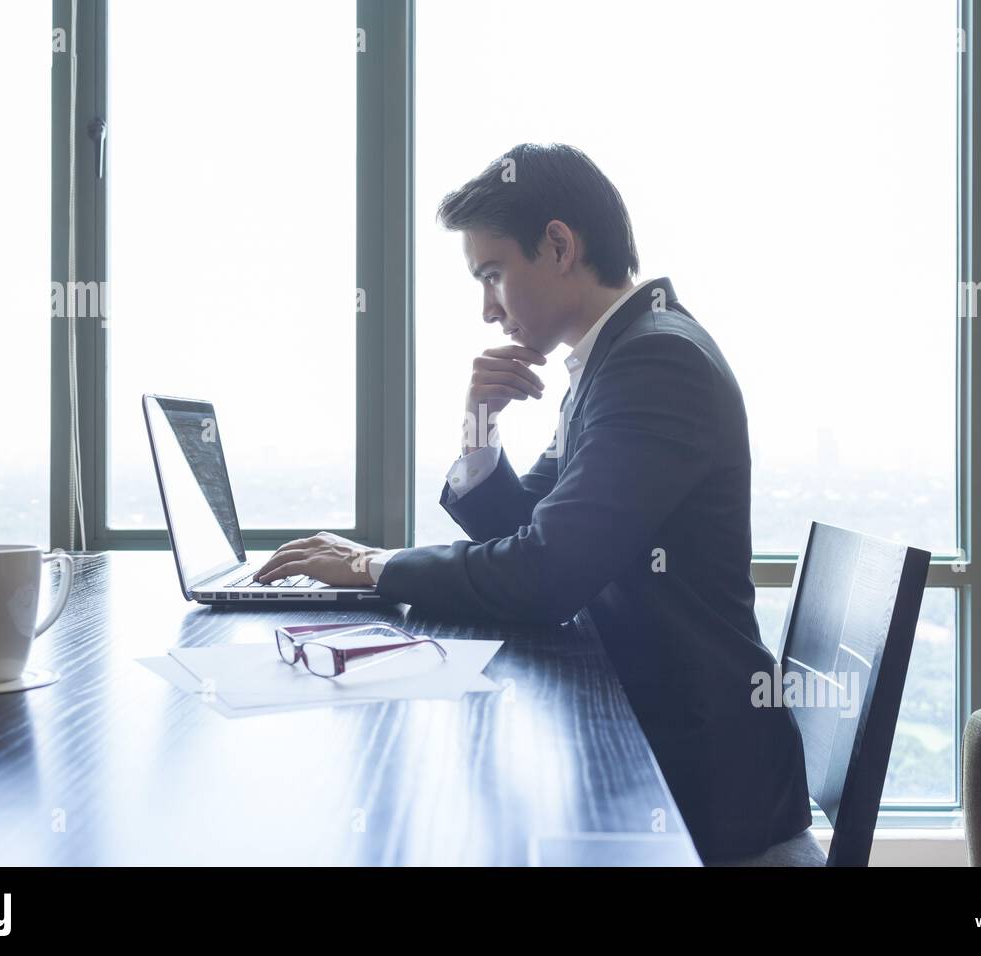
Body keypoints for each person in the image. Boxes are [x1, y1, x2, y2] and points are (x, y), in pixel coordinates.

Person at [256, 143, 811, 863]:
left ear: (557, 245)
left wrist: (371, 565)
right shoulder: (613, 359)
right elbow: (530, 533)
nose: (488, 310)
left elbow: (547, 575)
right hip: (653, 733)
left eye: (492, 275)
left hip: (697, 772)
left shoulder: (654, 361)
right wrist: (477, 429)